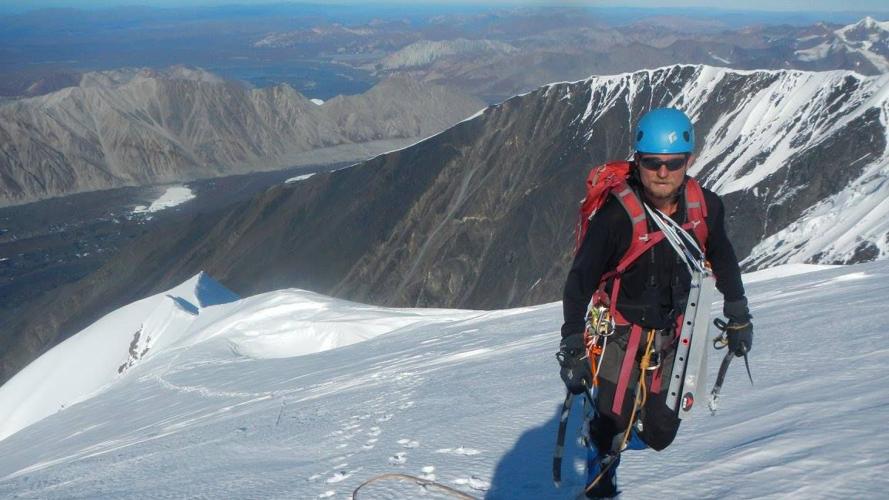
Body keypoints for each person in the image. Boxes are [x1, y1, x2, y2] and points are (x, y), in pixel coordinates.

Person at [557, 108, 753, 499]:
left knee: (662, 432)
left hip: (673, 334)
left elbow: (724, 256)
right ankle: (602, 465)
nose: (662, 173)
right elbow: (580, 280)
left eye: (673, 163)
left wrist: (738, 312)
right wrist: (573, 340)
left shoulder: (706, 208)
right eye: (652, 163)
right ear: (638, 161)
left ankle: (618, 438)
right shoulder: (616, 217)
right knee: (611, 422)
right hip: (619, 332)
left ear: (689, 162)